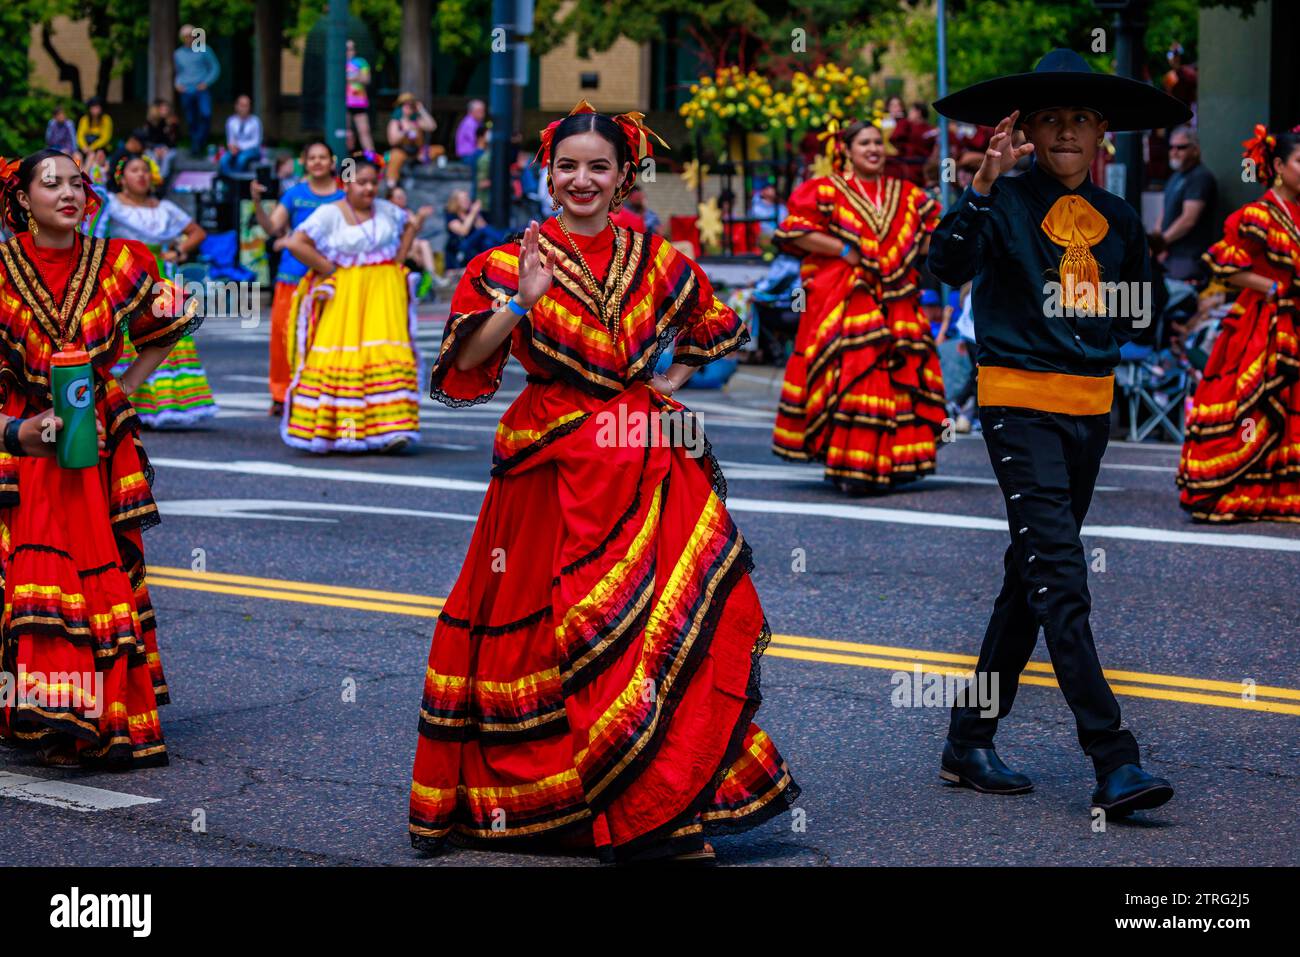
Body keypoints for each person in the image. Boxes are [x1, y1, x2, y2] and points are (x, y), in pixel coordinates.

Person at [408, 101, 798, 864]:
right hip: (550, 466)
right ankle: (583, 804)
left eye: (599, 167)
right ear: (546, 173)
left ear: (624, 176)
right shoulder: (506, 258)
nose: (581, 179)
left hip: (641, 456)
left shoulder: (655, 257)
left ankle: (664, 806)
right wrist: (521, 300)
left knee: (656, 632)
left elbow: (716, 324)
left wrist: (666, 384)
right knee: (570, 631)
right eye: (568, 165)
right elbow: (461, 364)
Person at [928, 49, 1190, 817]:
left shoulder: (1115, 219)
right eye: (1051, 118)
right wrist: (978, 186)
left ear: (1100, 132)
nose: (1066, 131)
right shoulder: (1002, 198)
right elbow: (945, 266)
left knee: (1030, 575)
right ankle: (1113, 757)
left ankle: (968, 737)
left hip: (1090, 410)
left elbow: (1143, 310)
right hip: (1018, 406)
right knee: (1062, 579)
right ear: (1031, 131)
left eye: (1080, 118)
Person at [0, 148, 198, 767]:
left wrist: (118, 394)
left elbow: (168, 323)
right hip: (28, 445)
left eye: (77, 183)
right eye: (50, 183)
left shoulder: (117, 262)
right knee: (36, 574)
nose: (67, 192)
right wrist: (17, 430)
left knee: (96, 569)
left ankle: (98, 719)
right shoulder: (2, 269)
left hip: (95, 448)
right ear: (22, 200)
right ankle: (47, 714)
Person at [771, 118, 947, 494]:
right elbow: (793, 231)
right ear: (847, 152)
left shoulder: (907, 193)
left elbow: (937, 235)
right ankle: (853, 465)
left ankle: (899, 461)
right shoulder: (826, 191)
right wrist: (845, 249)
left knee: (899, 376)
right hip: (850, 297)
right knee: (857, 372)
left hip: (898, 299)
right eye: (864, 143)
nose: (873, 149)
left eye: (877, 142)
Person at [1177, 124, 1300, 523]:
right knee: (1258, 403)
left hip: (1293, 319)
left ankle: (1282, 491)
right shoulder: (1256, 214)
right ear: (1279, 165)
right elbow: (1227, 266)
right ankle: (1242, 486)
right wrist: (1271, 287)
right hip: (1262, 324)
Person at [280, 152, 429, 453]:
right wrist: (329, 269)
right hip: (347, 296)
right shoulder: (330, 213)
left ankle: (391, 429)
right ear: (346, 183)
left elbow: (398, 255)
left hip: (385, 294)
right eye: (361, 182)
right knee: (343, 357)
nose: (369, 189)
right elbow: (295, 242)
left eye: (373, 183)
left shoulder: (388, 211)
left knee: (387, 353)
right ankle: (343, 431)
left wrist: (414, 228)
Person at [95, 155, 216, 428]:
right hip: (123, 276)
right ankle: (122, 401)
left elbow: (196, 232)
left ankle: (164, 405)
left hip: (159, 274)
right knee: (125, 335)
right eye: (134, 170)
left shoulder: (165, 208)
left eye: (145, 171)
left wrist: (178, 250)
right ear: (121, 177)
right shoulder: (111, 205)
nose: (141, 175)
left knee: (167, 332)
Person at [250, 140, 344, 416]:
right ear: (304, 161)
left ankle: (319, 392)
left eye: (322, 157)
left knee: (325, 338)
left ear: (331, 162)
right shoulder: (294, 194)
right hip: (291, 276)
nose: (317, 162)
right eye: (312, 157)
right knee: (282, 337)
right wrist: (257, 202)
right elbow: (272, 227)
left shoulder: (342, 196)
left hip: (329, 276)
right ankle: (280, 395)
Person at [1150, 125, 1216, 284]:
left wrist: (1161, 243)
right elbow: (1164, 213)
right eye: (1171, 147)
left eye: (1181, 147)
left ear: (1195, 150)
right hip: (1169, 255)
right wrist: (1155, 242)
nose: (1174, 151)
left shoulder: (1200, 176)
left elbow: (1188, 220)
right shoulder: (1175, 177)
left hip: (1189, 257)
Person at [174, 24, 221, 156]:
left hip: (200, 89)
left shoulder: (204, 50)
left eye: (191, 35)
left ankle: (200, 142)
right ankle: (195, 146)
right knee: (191, 119)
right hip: (186, 90)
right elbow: (178, 72)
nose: (188, 38)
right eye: (186, 36)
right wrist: (177, 83)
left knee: (205, 115)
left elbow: (215, 68)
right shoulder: (178, 54)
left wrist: (206, 82)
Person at [443, 189, 506, 269]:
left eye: (467, 198)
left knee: (488, 241)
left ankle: (498, 259)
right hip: (460, 246)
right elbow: (463, 231)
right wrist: (473, 213)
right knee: (485, 231)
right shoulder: (451, 215)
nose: (466, 201)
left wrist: (476, 214)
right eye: (463, 199)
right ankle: (505, 241)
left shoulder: (471, 213)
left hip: (474, 246)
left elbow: (483, 227)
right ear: (456, 202)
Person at [385, 93, 437, 190]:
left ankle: (417, 162)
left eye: (411, 106)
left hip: (417, 152)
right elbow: (392, 141)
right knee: (394, 157)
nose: (409, 109)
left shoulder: (417, 121)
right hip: (402, 151)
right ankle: (391, 186)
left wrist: (421, 109)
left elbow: (432, 126)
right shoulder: (396, 122)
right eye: (406, 106)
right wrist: (404, 132)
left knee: (438, 149)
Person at [219, 94, 263, 176]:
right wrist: (232, 147)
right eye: (242, 105)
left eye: (246, 106)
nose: (244, 108)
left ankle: (236, 182)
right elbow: (230, 139)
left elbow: (256, 142)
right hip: (235, 149)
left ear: (250, 107)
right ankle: (229, 181)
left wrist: (240, 147)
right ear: (236, 106)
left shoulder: (255, 121)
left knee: (241, 159)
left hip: (252, 150)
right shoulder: (231, 121)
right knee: (224, 160)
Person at [345, 39, 375, 154]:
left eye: (351, 48)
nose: (349, 51)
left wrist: (349, 78)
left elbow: (366, 79)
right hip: (343, 103)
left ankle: (372, 160)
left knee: (364, 131)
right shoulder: (338, 62)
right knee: (346, 133)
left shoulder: (361, 62)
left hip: (358, 102)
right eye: (347, 49)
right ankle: (345, 161)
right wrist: (356, 76)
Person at [144, 99, 180, 182]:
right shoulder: (151, 123)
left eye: (166, 109)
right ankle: (154, 177)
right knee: (152, 157)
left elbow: (175, 141)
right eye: (162, 109)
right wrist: (155, 149)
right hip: (154, 148)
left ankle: (162, 179)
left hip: (168, 148)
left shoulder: (172, 123)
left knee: (166, 158)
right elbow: (148, 139)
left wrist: (171, 128)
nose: (164, 111)